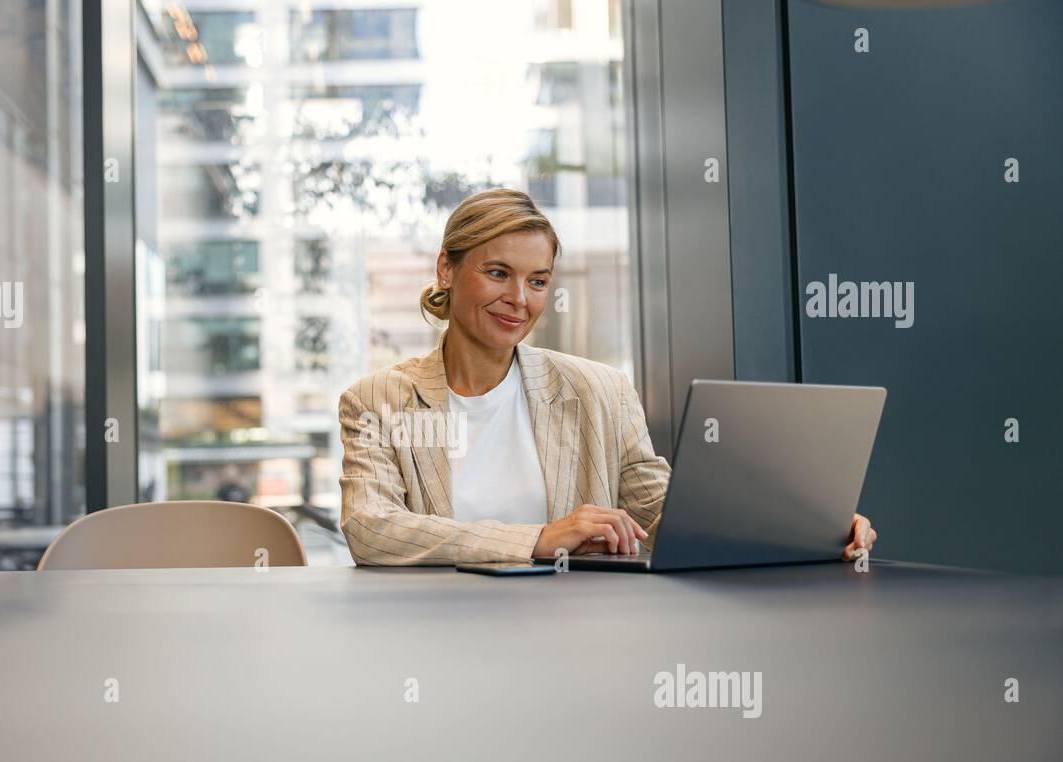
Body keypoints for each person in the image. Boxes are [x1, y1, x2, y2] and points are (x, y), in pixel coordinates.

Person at [337, 187, 877, 566]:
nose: (519, 300)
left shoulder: (599, 391)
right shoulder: (378, 401)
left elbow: (671, 516)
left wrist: (808, 530)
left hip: (576, 639)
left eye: (539, 281)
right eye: (497, 273)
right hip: (438, 640)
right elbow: (371, 528)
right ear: (446, 270)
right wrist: (539, 540)